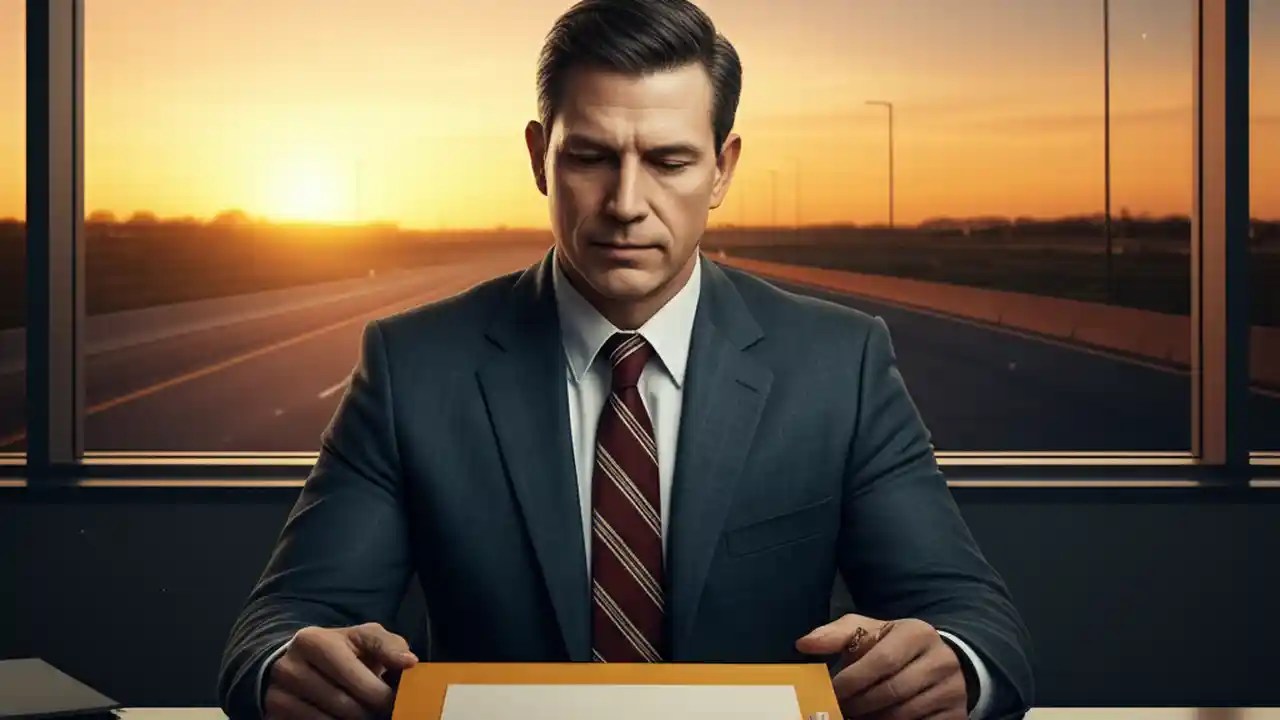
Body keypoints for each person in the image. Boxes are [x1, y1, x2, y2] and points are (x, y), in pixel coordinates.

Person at [217, 1, 1034, 718]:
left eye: (670, 161)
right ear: (540, 156)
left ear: (723, 169)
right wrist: (287, 666)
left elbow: (972, 617)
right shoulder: (411, 367)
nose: (625, 204)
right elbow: (284, 619)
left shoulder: (841, 363)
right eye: (591, 157)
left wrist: (950, 664)